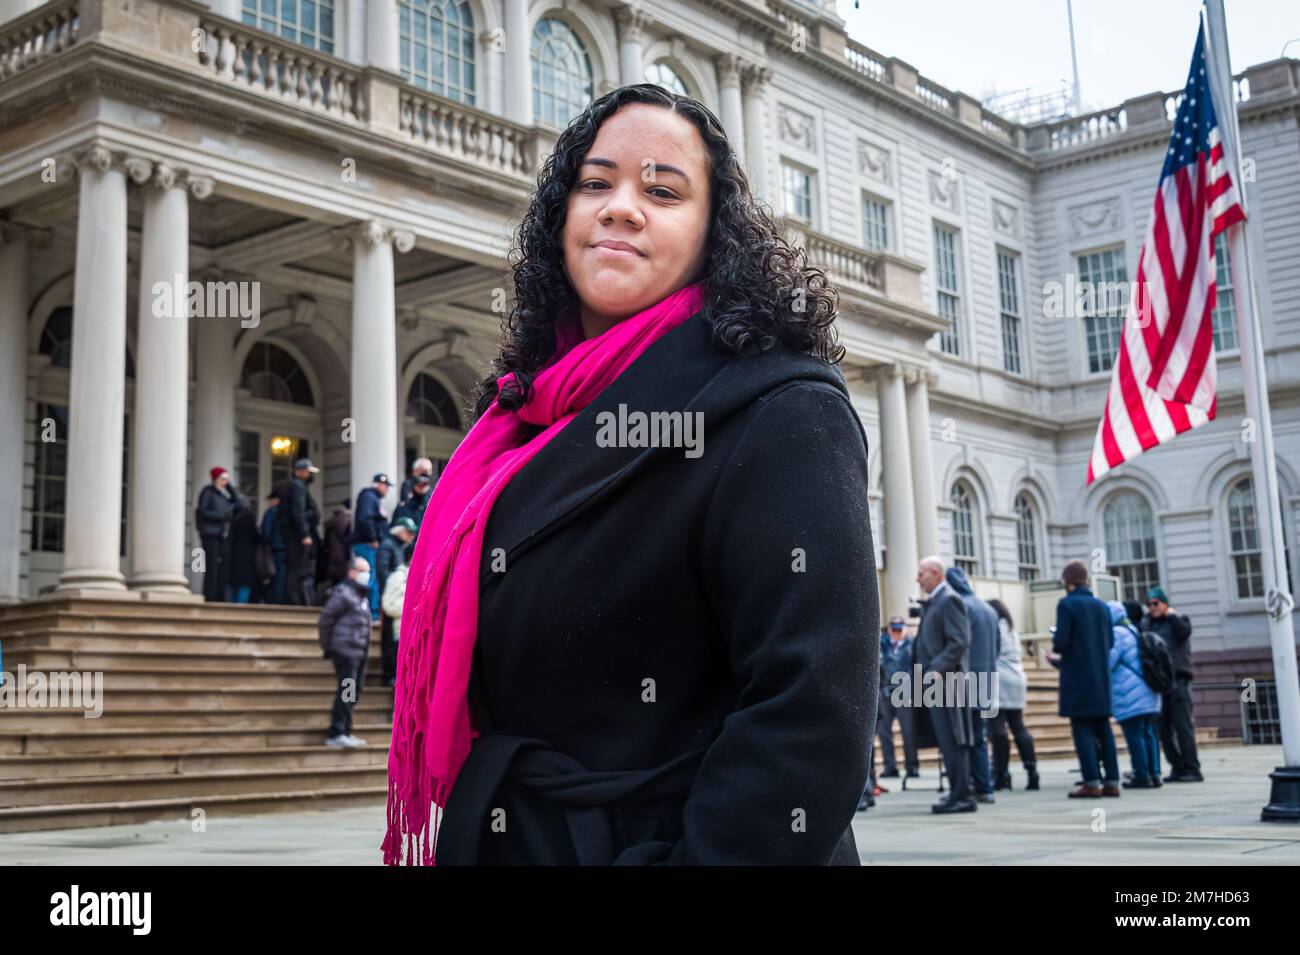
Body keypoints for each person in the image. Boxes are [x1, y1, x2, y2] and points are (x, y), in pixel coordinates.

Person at [384, 85, 879, 867]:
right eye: (595, 182)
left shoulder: (782, 410)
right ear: (562, 217)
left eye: (662, 190)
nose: (620, 207)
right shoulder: (521, 420)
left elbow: (813, 714)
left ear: (713, 234)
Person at [1045, 560, 1120, 798]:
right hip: (1101, 677)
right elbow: (1110, 641)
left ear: (1069, 582)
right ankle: (1112, 781)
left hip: (1077, 678)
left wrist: (1056, 652)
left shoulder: (1067, 605)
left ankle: (1091, 781)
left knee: (1082, 729)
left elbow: (1061, 642)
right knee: (1104, 729)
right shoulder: (1102, 606)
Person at [913, 556, 976, 814]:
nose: (918, 579)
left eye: (922, 574)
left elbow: (959, 641)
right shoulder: (936, 601)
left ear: (936, 573)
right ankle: (958, 792)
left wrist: (936, 669)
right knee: (947, 740)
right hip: (938, 685)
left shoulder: (948, 599)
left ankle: (962, 796)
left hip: (947, 684)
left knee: (954, 740)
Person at [944, 566, 998, 804]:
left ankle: (978, 786)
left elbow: (959, 644)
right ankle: (984, 785)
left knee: (966, 737)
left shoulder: (961, 606)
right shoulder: (988, 608)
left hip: (967, 679)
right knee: (979, 735)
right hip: (987, 676)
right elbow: (995, 647)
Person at [1143, 586, 1202, 782]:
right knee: (1163, 730)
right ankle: (1177, 767)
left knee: (1183, 726)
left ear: (1164, 603)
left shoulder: (1178, 620)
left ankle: (1192, 768)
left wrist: (1171, 615)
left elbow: (1185, 632)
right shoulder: (1148, 624)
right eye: (1149, 604)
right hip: (1160, 684)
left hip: (1179, 680)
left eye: (1156, 603)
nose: (1152, 607)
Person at [1107, 600, 1163, 789]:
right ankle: (1154, 773)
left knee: (1134, 735)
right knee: (1149, 734)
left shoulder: (1117, 633)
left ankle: (1141, 774)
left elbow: (1109, 662)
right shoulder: (1133, 629)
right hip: (1146, 690)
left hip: (1129, 692)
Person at [319, 556, 374, 748]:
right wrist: (329, 647)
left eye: (368, 571)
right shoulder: (343, 594)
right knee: (348, 691)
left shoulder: (360, 596)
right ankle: (338, 731)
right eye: (362, 571)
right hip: (346, 652)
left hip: (358, 653)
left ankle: (346, 730)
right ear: (352, 572)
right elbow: (326, 620)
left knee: (353, 691)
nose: (366, 575)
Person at [987, 598, 1038, 791]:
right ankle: (1032, 770)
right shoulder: (1011, 630)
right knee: (1019, 727)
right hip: (1017, 678)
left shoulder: (993, 628)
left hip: (998, 679)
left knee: (997, 729)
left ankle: (1001, 773)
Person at [376, 516, 417, 687]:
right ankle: (388, 676)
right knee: (389, 642)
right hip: (392, 596)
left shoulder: (402, 547)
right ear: (399, 530)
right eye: (409, 532)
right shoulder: (387, 546)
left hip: (398, 595)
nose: (411, 536)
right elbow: (383, 572)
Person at [877, 615, 918, 779]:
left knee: (908, 732)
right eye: (893, 629)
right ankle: (890, 767)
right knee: (884, 732)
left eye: (899, 629)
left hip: (905, 694)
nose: (896, 633)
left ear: (905, 629)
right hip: (886, 692)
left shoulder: (912, 645)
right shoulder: (882, 644)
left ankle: (912, 767)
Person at [275, 457, 320, 606]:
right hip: (296, 536)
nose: (310, 475)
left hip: (292, 534)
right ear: (300, 472)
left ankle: (294, 598)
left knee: (295, 567)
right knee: (297, 567)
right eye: (308, 472)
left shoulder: (296, 486)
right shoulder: (298, 487)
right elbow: (298, 512)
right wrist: (304, 534)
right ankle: (295, 599)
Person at [350, 473, 392, 622]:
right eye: (386, 486)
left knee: (369, 577)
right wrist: (373, 538)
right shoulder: (369, 497)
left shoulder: (372, 498)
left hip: (367, 544)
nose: (387, 489)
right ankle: (370, 613)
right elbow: (365, 518)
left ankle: (368, 612)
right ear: (379, 484)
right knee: (369, 577)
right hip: (367, 545)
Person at [194, 466, 238, 603]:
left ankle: (220, 598)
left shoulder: (224, 496)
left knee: (223, 569)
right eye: (223, 479)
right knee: (211, 567)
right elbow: (202, 512)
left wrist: (230, 487)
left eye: (227, 479)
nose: (225, 482)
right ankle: (210, 597)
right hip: (210, 534)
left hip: (222, 535)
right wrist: (222, 516)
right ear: (215, 479)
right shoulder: (207, 492)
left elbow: (238, 503)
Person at [226, 495, 261, 604]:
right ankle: (240, 608)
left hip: (232, 555)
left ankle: (228, 607)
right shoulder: (249, 518)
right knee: (245, 584)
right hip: (246, 556)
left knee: (232, 584)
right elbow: (256, 537)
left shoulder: (232, 519)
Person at [320, 498, 353, 592]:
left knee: (336, 584)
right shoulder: (345, 520)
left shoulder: (335, 519)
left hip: (333, 557)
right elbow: (345, 538)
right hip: (341, 557)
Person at [259, 493, 285, 603]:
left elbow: (266, 531)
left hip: (275, 548)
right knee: (282, 577)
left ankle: (277, 602)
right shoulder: (288, 512)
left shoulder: (271, 512)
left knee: (275, 577)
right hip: (287, 549)